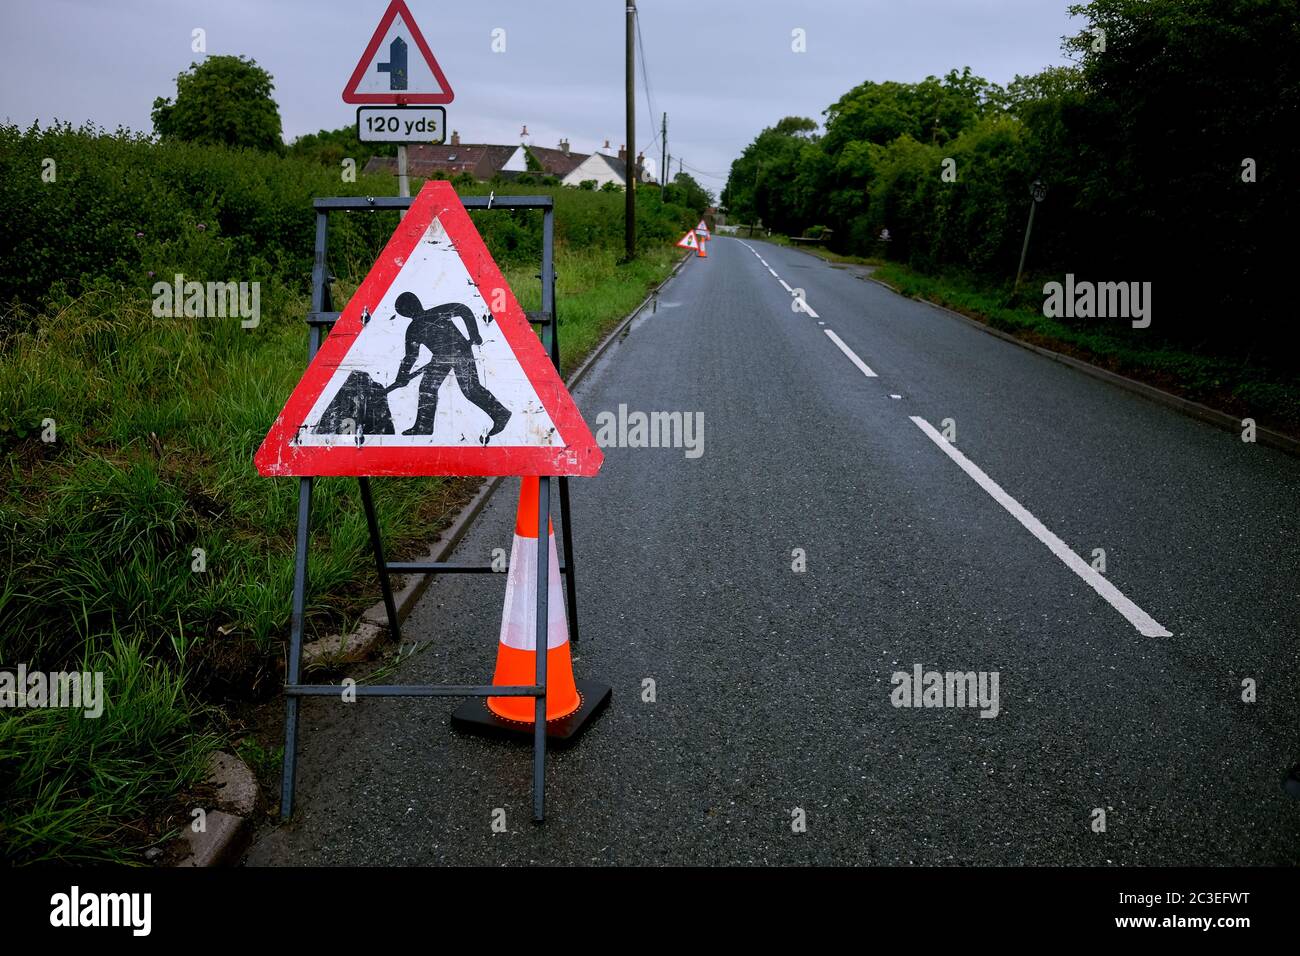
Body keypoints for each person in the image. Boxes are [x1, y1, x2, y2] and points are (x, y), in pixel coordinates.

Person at [390, 292, 511, 439]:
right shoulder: (414, 329)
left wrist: (474, 334)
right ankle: (424, 426)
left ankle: (501, 414)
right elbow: (410, 356)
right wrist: (401, 376)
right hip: (439, 358)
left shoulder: (433, 315)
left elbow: (463, 309)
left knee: (470, 389)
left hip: (460, 351)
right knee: (427, 388)